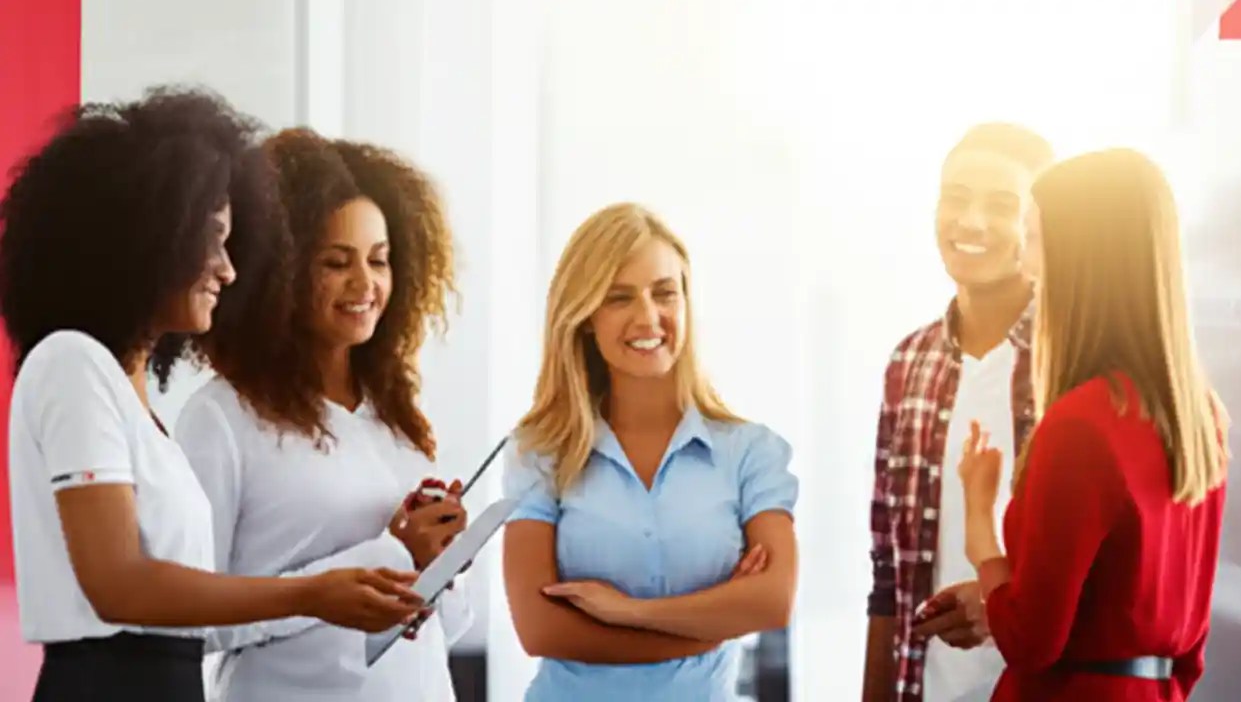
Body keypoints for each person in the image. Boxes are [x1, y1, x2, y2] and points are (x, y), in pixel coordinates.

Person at [0, 89, 424, 702]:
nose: (228, 269)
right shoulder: (72, 363)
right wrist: (313, 593)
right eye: (212, 240)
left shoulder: (131, 397)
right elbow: (119, 586)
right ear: (148, 237)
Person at [173, 127, 471, 702]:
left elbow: (445, 628)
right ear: (279, 274)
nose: (365, 284)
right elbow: (192, 622)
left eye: (379, 261)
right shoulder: (223, 419)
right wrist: (389, 554)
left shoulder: (397, 418)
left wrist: (443, 564)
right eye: (336, 262)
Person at [956, 148, 1227, 701]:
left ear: (1079, 258)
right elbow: (1190, 651)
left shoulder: (1080, 426)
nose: (1026, 266)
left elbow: (1031, 640)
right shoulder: (1203, 419)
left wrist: (981, 529)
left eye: (1033, 239)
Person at [501, 202, 798, 702]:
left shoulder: (750, 452)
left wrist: (628, 612)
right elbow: (540, 631)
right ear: (586, 317)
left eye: (664, 293)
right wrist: (715, 620)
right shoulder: (542, 452)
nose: (647, 316)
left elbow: (772, 602)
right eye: (618, 298)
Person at [861, 123, 1055, 702]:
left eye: (1001, 205)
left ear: (1040, 224)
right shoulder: (910, 362)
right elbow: (887, 572)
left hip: (1040, 686)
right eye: (955, 197)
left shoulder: (1075, 361)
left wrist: (1004, 606)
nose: (970, 222)